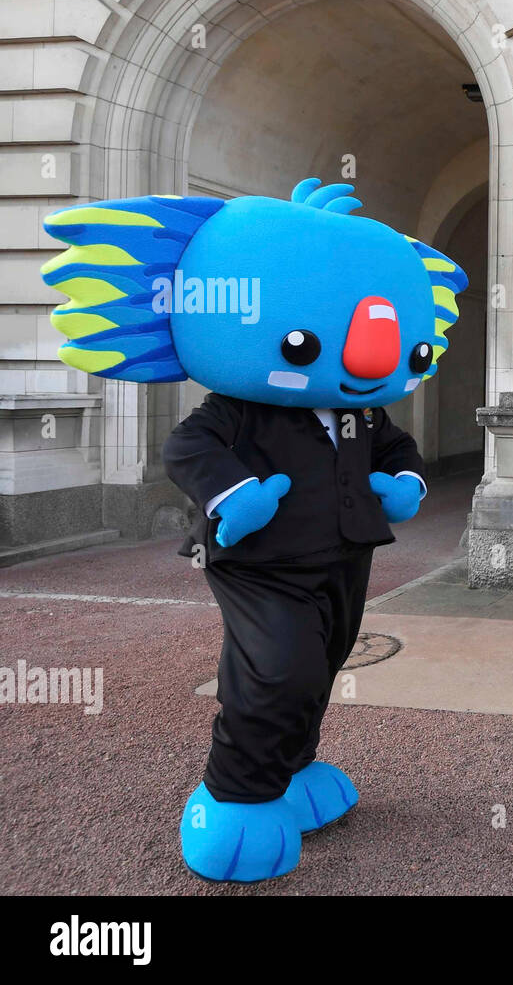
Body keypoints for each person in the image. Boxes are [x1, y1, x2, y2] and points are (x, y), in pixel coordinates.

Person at [40, 177, 468, 881]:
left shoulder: (361, 412)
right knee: (277, 667)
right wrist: (232, 493)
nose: (368, 356)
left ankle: (290, 771)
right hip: (260, 560)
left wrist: (406, 483)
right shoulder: (241, 409)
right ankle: (233, 795)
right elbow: (188, 448)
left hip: (344, 553)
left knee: (322, 663)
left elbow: (397, 449)